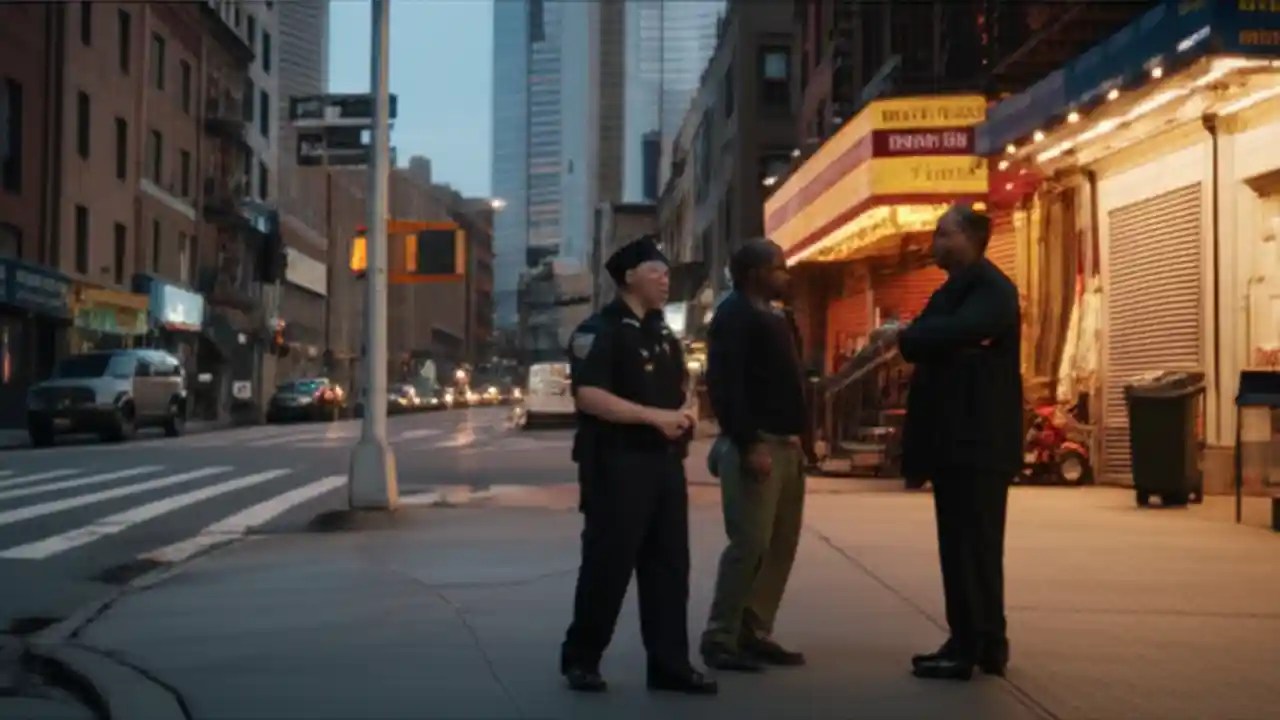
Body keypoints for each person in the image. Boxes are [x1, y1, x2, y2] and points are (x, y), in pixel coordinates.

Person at [559, 236, 718, 696]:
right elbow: (589, 396)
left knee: (669, 566)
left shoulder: (661, 334)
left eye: (667, 272)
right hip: (617, 465)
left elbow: (680, 389)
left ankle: (669, 664)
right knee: (608, 566)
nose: (666, 279)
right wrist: (656, 418)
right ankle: (582, 659)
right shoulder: (599, 332)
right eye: (657, 271)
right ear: (629, 276)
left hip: (664, 465)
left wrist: (686, 410)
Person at [883, 204, 1023, 681]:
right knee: (963, 546)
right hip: (955, 444)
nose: (935, 242)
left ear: (968, 238)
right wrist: (921, 337)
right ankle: (978, 639)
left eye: (944, 234)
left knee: (974, 546)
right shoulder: (953, 290)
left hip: (977, 443)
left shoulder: (992, 290)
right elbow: (926, 337)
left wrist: (920, 337)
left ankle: (972, 645)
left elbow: (944, 335)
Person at [701, 239, 812, 673]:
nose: (786, 274)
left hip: (786, 443)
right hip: (759, 443)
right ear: (753, 274)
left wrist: (802, 436)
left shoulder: (775, 315)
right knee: (750, 543)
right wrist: (748, 442)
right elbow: (726, 386)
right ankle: (720, 636)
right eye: (778, 268)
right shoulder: (734, 316)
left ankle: (754, 629)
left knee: (781, 543)